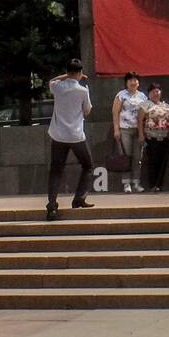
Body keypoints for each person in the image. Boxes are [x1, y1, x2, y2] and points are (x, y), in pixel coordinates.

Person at [45, 58, 94, 221]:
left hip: (58, 135)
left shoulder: (57, 87)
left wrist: (65, 76)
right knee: (88, 166)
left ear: (67, 72)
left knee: (56, 170)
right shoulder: (82, 91)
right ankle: (79, 198)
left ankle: (52, 205)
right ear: (80, 73)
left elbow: (52, 81)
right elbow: (87, 111)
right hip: (76, 135)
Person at [111, 71, 148, 194]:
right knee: (126, 156)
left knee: (138, 157)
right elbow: (115, 112)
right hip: (125, 129)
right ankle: (126, 183)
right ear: (126, 82)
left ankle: (136, 182)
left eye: (135, 80)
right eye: (130, 80)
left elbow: (147, 113)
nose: (133, 82)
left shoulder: (143, 96)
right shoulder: (121, 95)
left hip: (138, 130)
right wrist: (116, 129)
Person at [139, 83, 169, 192]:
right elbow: (140, 120)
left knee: (163, 162)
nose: (155, 93)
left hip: (164, 137)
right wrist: (141, 135)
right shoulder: (145, 105)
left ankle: (160, 184)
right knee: (153, 161)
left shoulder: (166, 106)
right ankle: (152, 184)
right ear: (148, 94)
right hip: (151, 137)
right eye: (153, 91)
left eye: (157, 91)